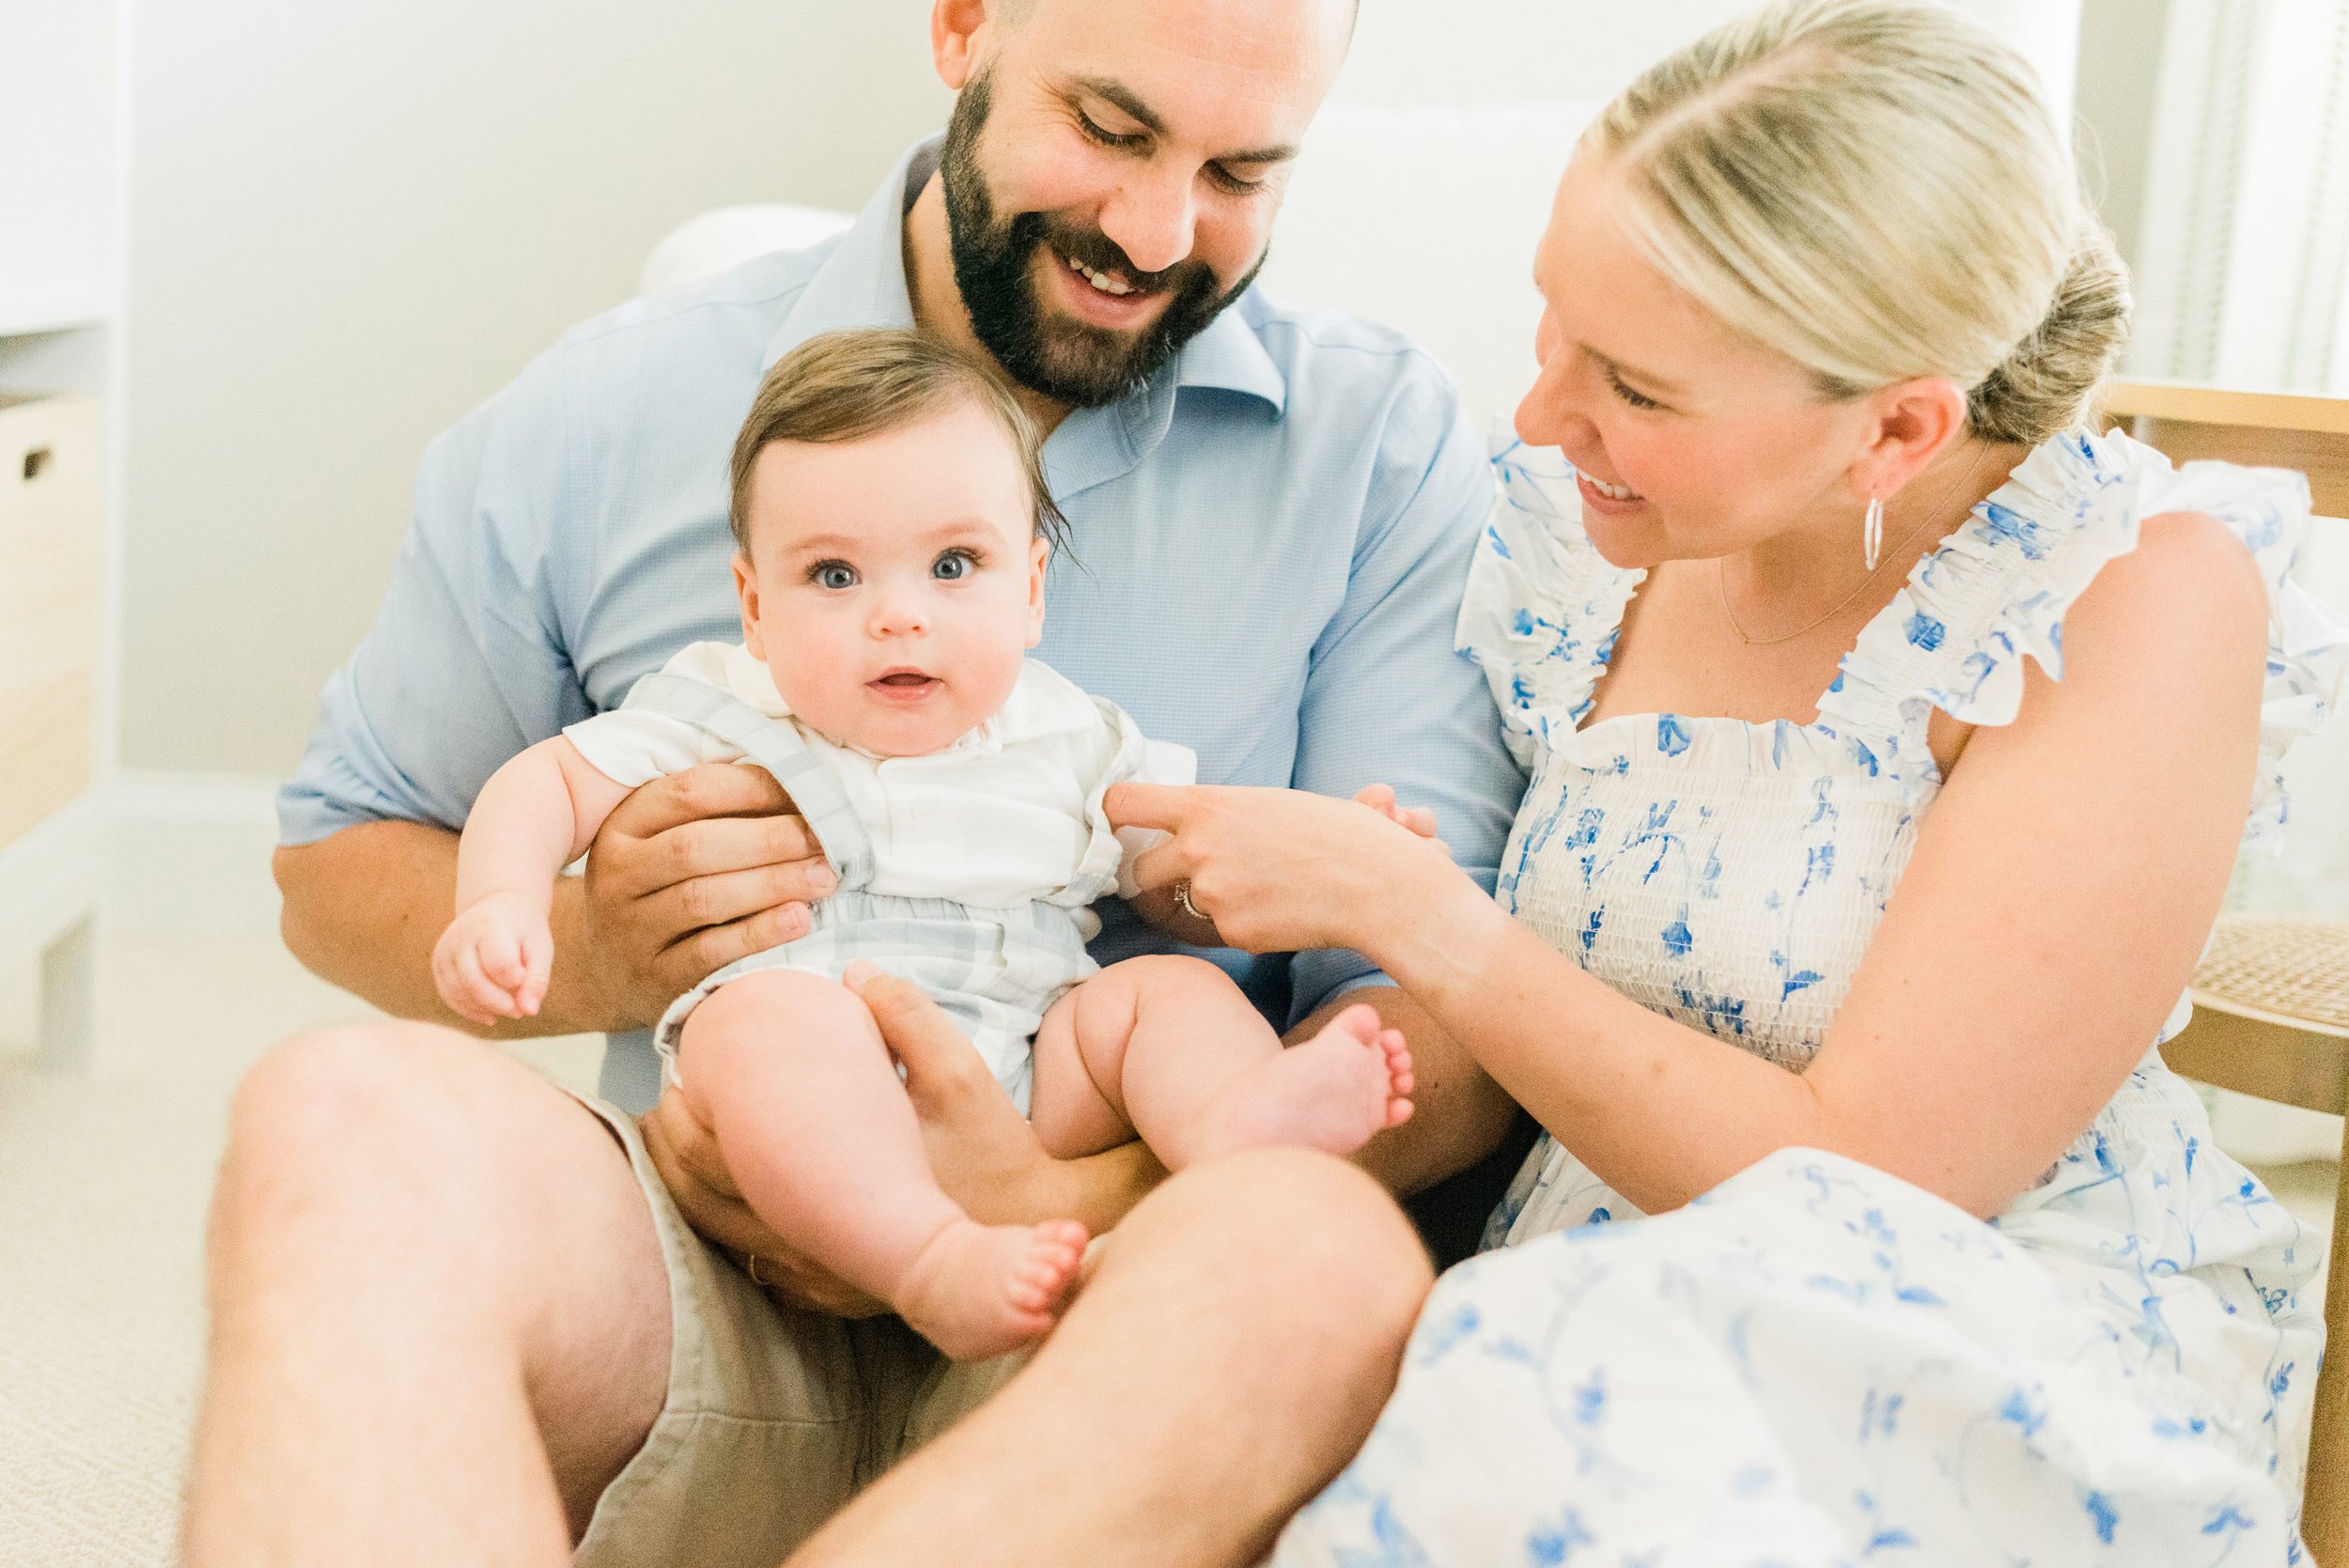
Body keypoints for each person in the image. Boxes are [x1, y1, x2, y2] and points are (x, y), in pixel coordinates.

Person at [184, 0, 1523, 1563]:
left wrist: (1058, 1192)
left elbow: (1450, 1018)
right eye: (1107, 127)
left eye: (1242, 170)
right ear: (961, 28)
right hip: (712, 1256)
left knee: (1325, 1248)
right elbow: (337, 858)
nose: (1157, 229)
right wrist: (605, 945)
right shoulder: (607, 415)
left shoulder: (1380, 445)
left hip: (1135, 1302)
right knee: (337, 1111)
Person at [1074, 0, 2345, 1560]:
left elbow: (1888, 1183)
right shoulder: (1572, 555)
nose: (1539, 414)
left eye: (1638, 385)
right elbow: (1482, 1056)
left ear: (1896, 428)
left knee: (1542, 1409)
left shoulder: (2123, 590)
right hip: (1579, 1295)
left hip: (1961, 1324)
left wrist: (1425, 918)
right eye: (1552, 322)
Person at [437, 328, 1418, 1360]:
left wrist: (1335, 857)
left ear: (1031, 587)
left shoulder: (1071, 733)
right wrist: (501, 900)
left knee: (1163, 998)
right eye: (833, 575)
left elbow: (1180, 864)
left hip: (1035, 1073)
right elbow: (546, 778)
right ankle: (928, 1257)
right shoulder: (727, 704)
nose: (899, 616)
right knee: (764, 1025)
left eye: (954, 565)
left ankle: (1235, 1126)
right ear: (754, 606)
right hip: (820, 1072)